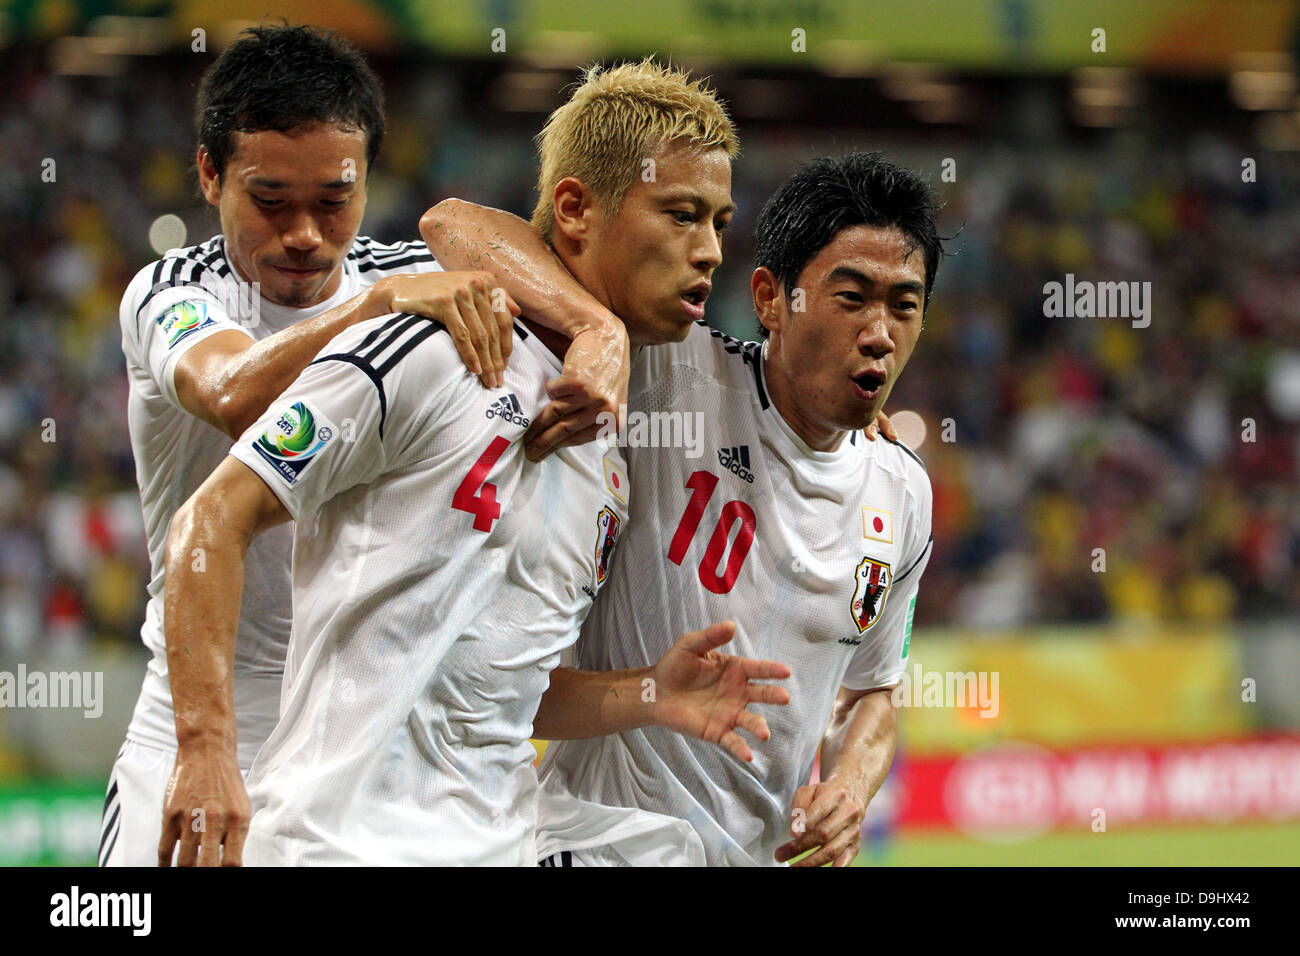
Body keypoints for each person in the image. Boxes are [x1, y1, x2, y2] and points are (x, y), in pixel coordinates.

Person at [161, 59, 789, 866]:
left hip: (496, 842)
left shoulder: (607, 452)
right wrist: (206, 748)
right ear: (573, 209)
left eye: (719, 222)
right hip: (337, 842)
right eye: (681, 214)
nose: (709, 251)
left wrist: (650, 694)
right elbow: (209, 520)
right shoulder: (438, 346)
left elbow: (507, 696)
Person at [103, 23, 626, 868]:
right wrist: (375, 307)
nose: (304, 233)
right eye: (270, 200)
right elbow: (232, 395)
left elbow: (460, 221)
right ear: (209, 174)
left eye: (334, 200)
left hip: (351, 744)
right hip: (197, 724)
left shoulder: (401, 267)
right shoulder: (176, 291)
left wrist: (601, 331)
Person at [423, 150, 939, 866]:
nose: (880, 331)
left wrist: (849, 788)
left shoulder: (904, 492)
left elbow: (873, 692)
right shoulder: (673, 370)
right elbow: (454, 225)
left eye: (904, 305)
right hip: (591, 842)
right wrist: (597, 331)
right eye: (851, 297)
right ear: (769, 300)